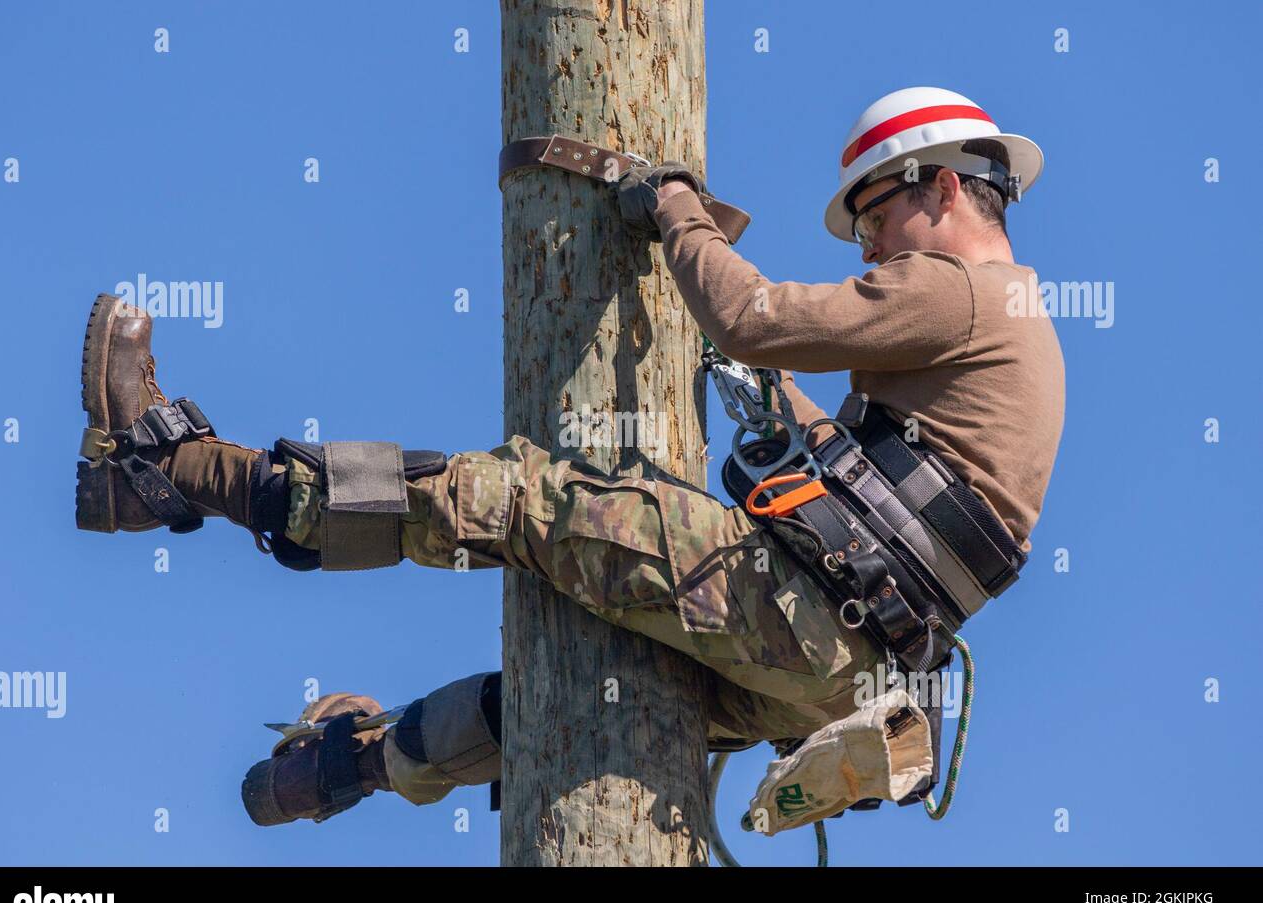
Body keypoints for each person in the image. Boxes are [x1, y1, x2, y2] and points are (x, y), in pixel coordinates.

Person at [75, 87, 1063, 827]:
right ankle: (351, 762)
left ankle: (173, 470)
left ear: (942, 180)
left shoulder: (961, 291)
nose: (868, 247)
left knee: (506, 498)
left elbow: (758, 318)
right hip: (834, 673)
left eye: (875, 213)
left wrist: (674, 207)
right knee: (575, 700)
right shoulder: (1016, 336)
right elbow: (841, 463)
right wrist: (744, 368)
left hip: (797, 609)